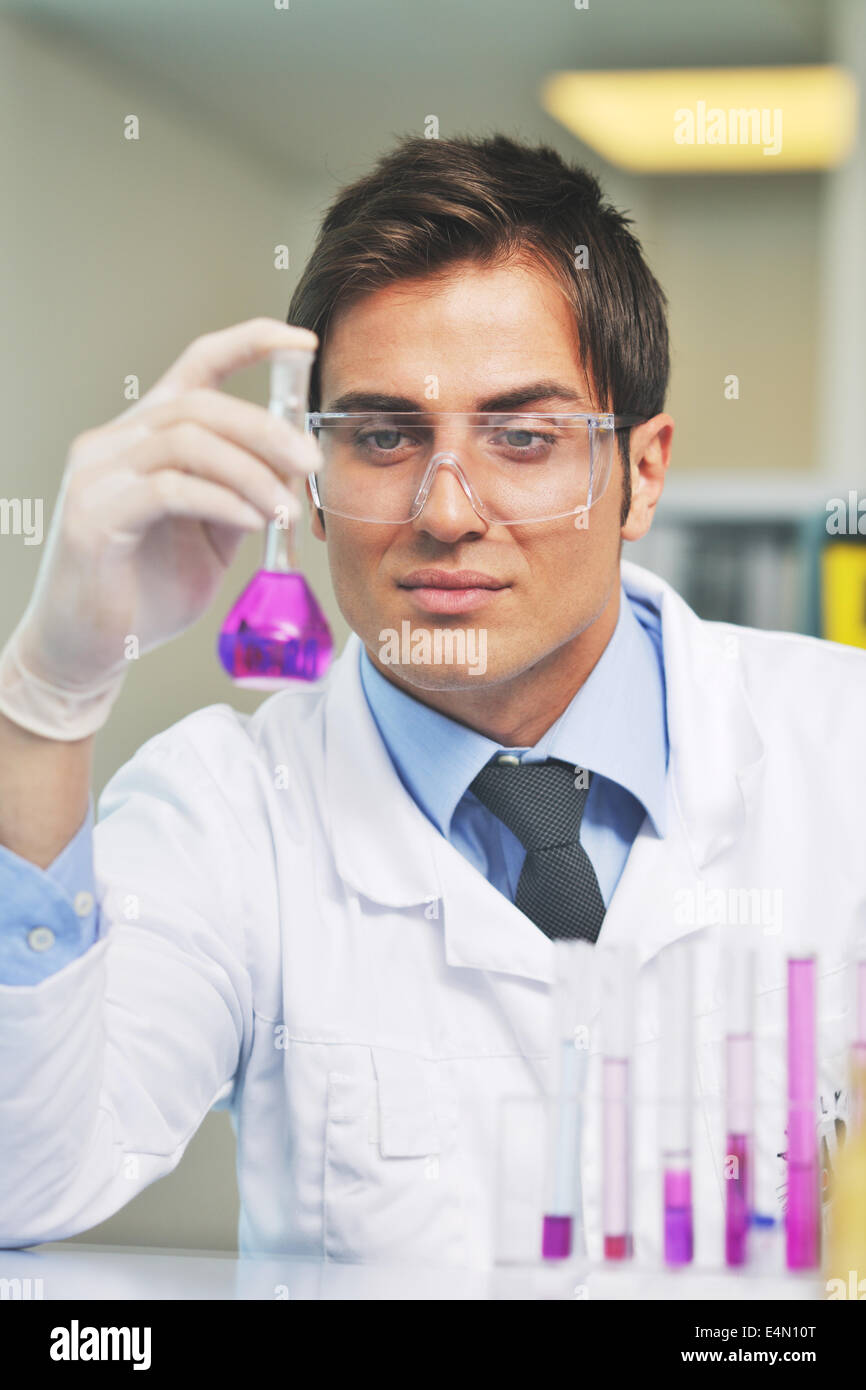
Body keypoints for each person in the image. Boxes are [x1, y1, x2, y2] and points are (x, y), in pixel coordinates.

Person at [0, 135, 862, 1267]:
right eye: (382, 434)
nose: (445, 510)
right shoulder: (227, 809)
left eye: (520, 436)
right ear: (310, 481)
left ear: (640, 473)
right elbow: (24, 1182)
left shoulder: (838, 747)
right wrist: (50, 693)